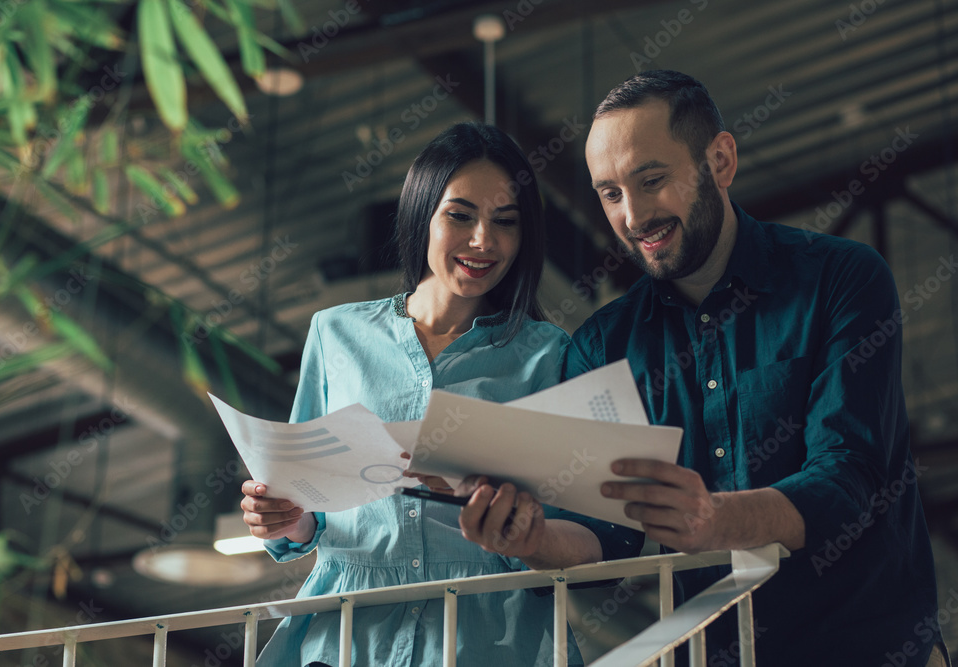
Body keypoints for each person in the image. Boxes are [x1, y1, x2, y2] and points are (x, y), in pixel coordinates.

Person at [570, 70, 950, 666]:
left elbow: (849, 476)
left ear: (719, 161)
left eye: (652, 180)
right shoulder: (601, 345)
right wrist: (534, 540)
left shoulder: (841, 279)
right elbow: (607, 533)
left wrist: (711, 520)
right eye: (610, 193)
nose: (634, 214)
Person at [240, 122, 633, 667]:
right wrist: (284, 518)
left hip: (489, 632)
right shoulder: (335, 335)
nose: (483, 241)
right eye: (460, 215)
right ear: (422, 212)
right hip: (347, 632)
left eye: (505, 222)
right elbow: (310, 509)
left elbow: (575, 520)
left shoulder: (549, 355)